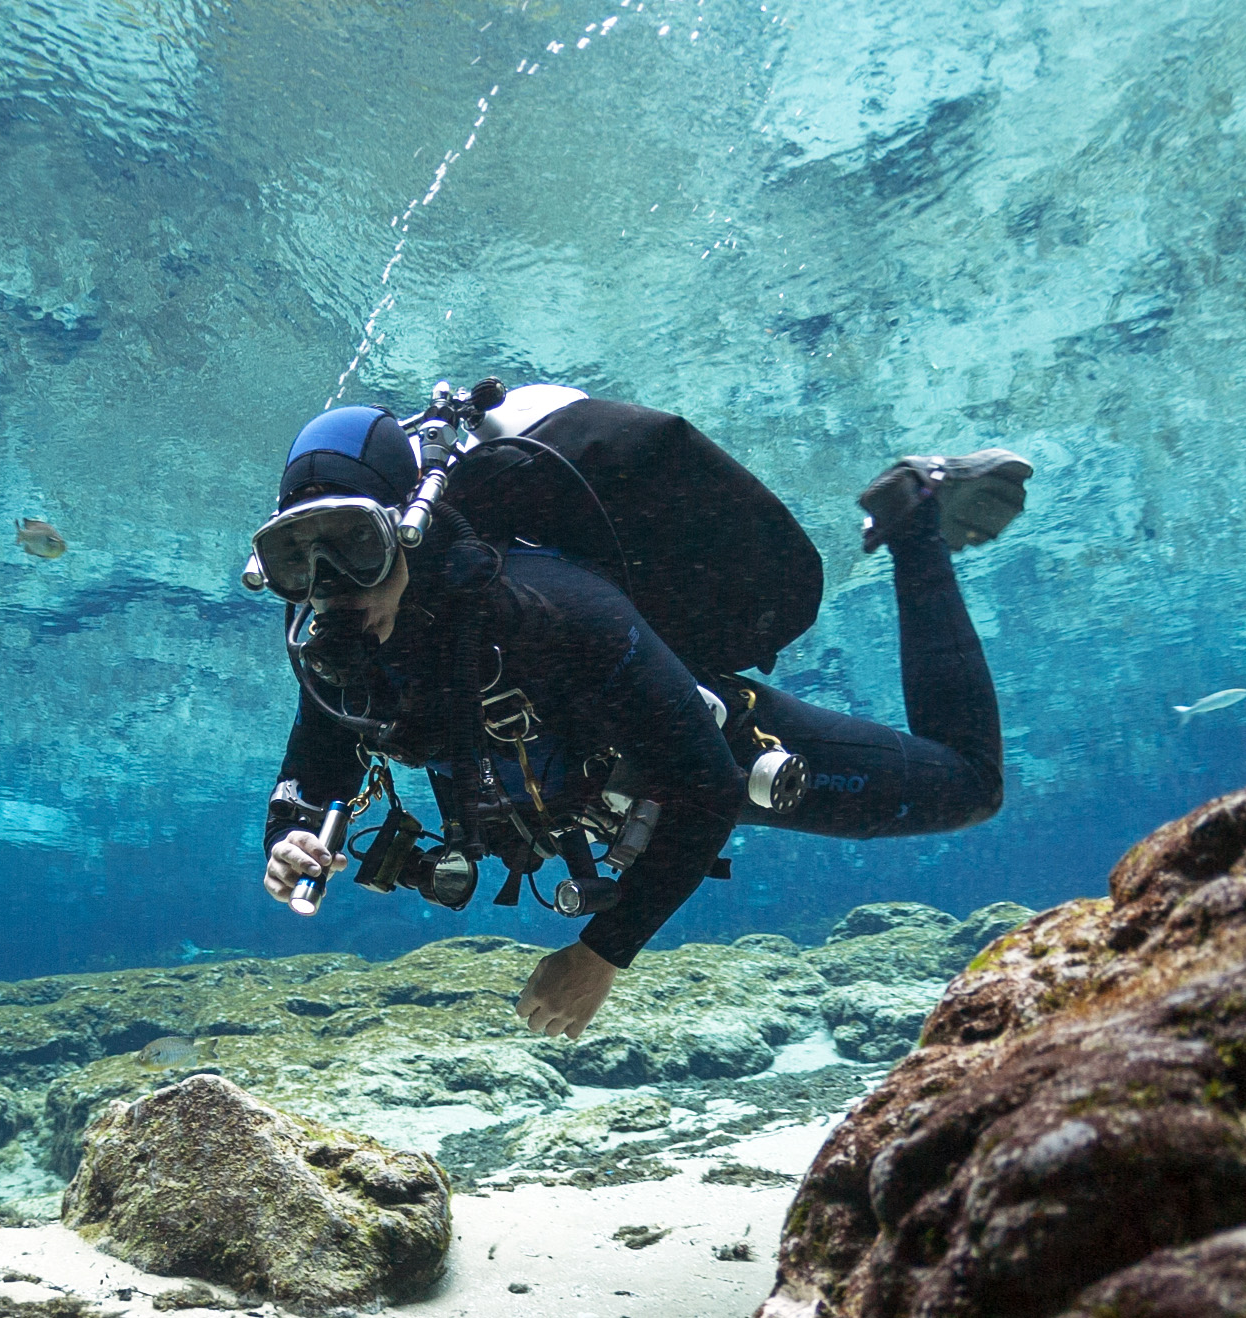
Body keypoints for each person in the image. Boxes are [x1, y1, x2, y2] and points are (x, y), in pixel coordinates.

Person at [247, 386, 1029, 1036]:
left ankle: (916, 515)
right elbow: (311, 774)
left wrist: (600, 954)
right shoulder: (347, 651)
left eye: (353, 543)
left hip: (699, 753)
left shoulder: (552, 611)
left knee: (970, 787)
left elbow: (711, 786)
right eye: (296, 557)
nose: (332, 585)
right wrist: (288, 842)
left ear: (410, 528)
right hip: (605, 803)